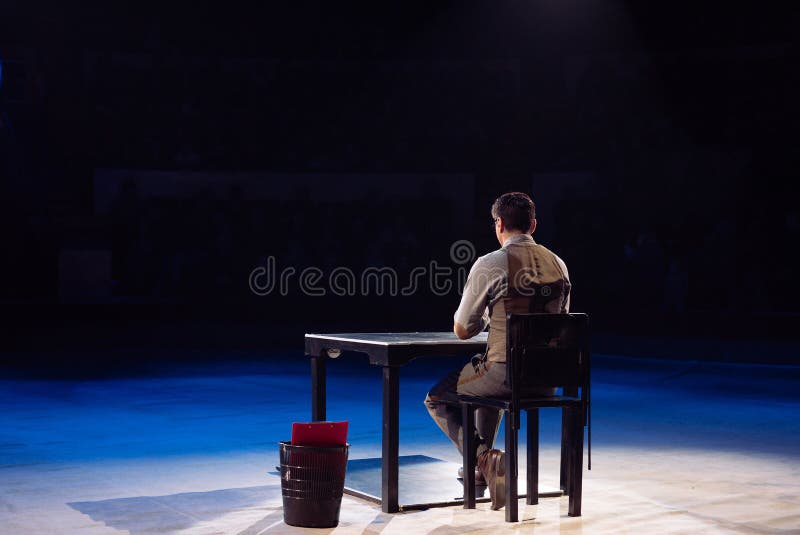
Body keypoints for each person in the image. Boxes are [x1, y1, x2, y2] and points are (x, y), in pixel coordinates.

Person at [424, 191, 571, 510]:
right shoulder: (559, 265)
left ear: (499, 224)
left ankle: (484, 458)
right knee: (485, 386)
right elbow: (560, 321)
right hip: (547, 379)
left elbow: (463, 329)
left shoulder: (489, 264)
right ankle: (482, 471)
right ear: (533, 225)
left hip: (505, 375)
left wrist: (488, 319)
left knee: (438, 397)